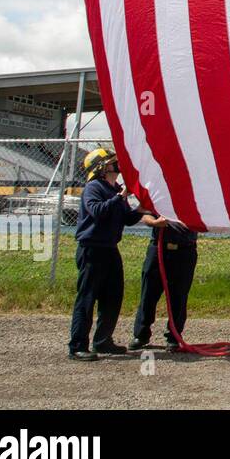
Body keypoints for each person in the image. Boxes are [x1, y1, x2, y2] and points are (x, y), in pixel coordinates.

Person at [67, 148, 168, 361]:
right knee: (87, 298)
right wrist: (121, 196)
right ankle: (77, 345)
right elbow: (98, 211)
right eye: (112, 162)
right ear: (101, 168)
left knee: (112, 297)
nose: (117, 165)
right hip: (92, 249)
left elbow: (125, 218)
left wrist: (140, 210)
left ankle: (103, 341)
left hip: (110, 249)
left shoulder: (115, 189)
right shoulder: (94, 188)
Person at [129, 218, 198, 352]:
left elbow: (204, 219)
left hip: (185, 250)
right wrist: (155, 223)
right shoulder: (160, 196)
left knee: (179, 295)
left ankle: (174, 337)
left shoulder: (194, 198)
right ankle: (141, 334)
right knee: (148, 293)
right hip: (158, 248)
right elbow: (145, 214)